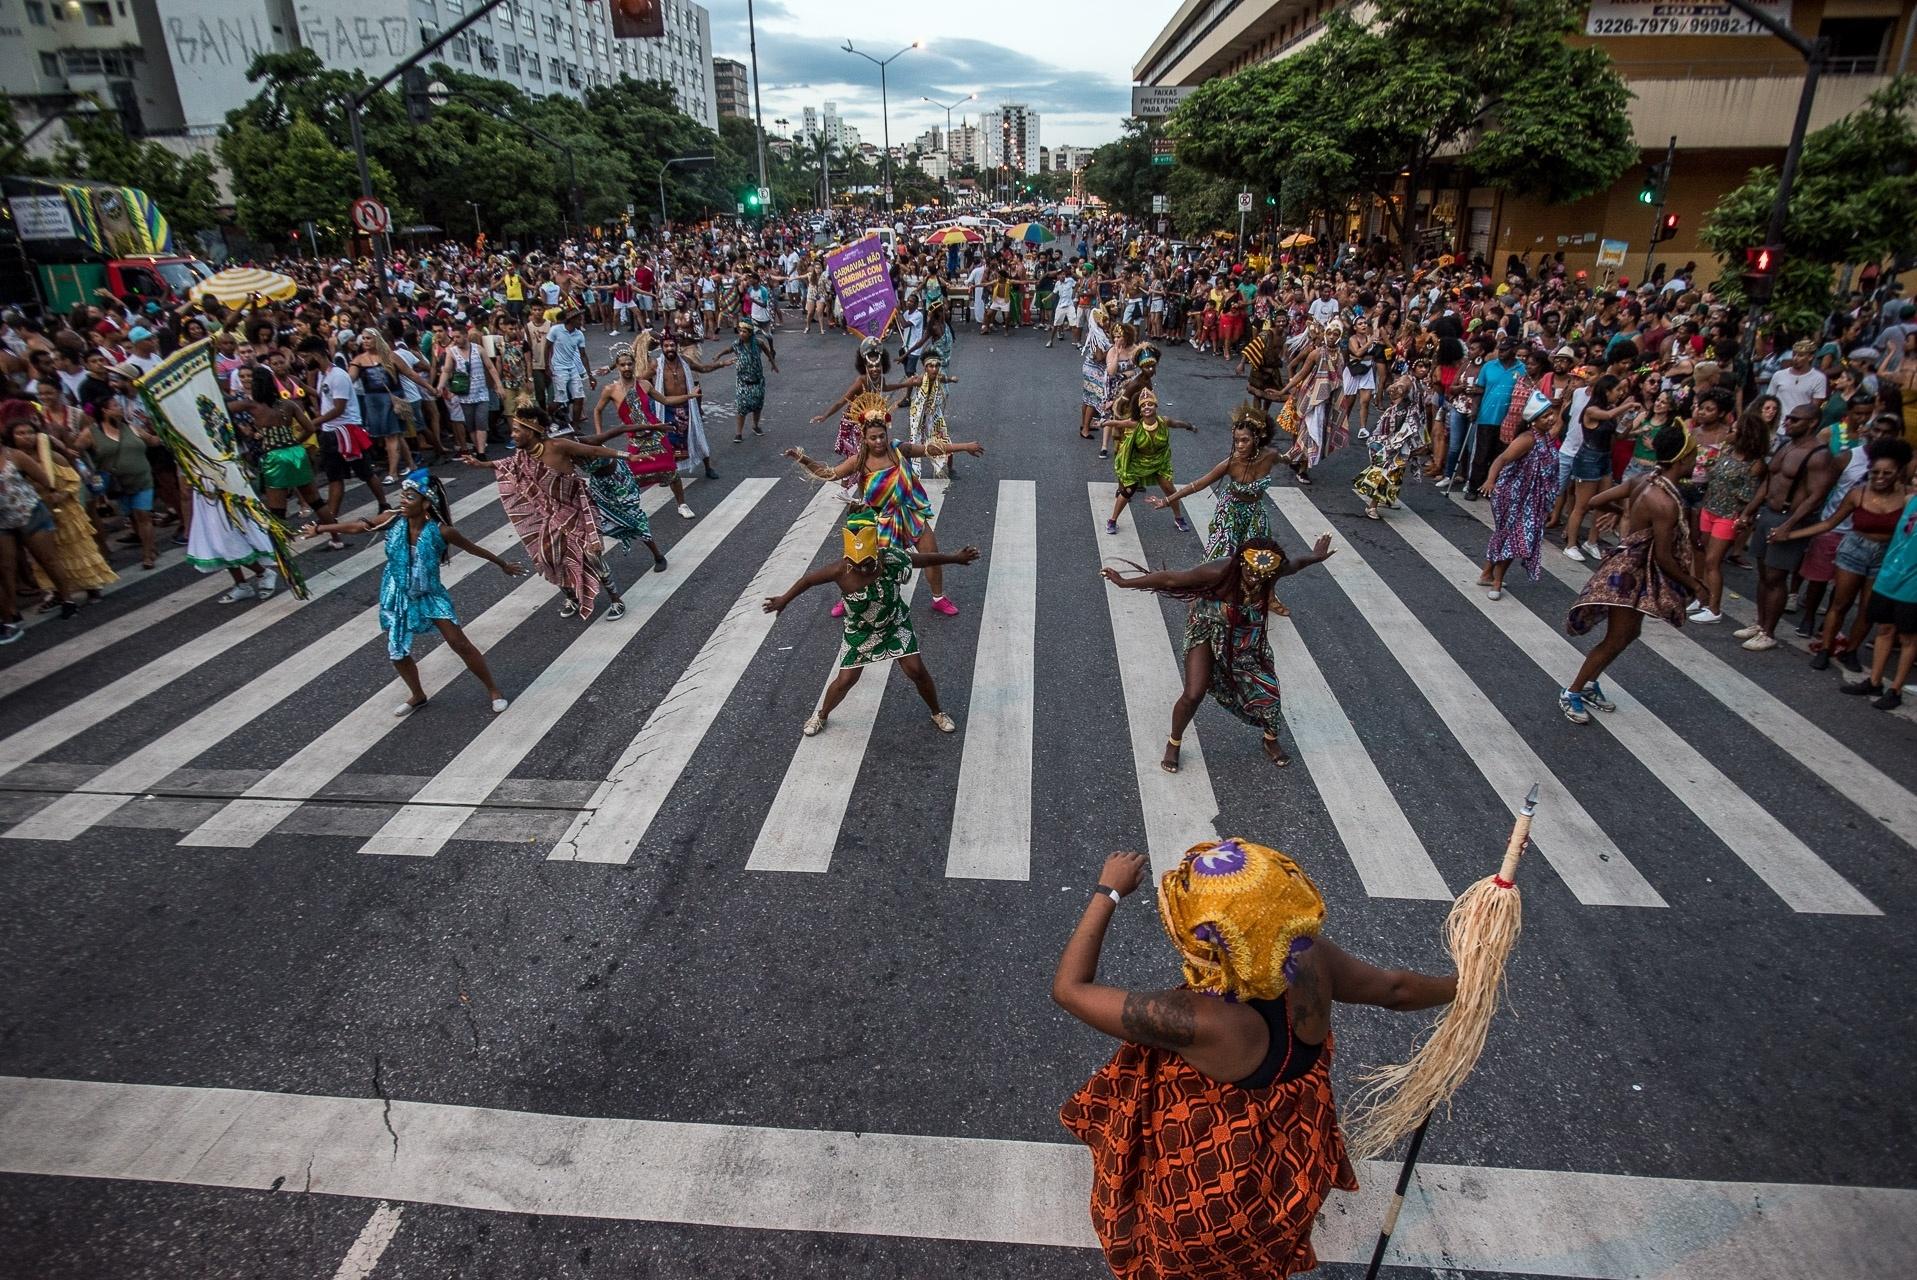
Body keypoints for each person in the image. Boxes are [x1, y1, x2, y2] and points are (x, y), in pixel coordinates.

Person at [1054, 840, 1456, 1280]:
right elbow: (1396, 989)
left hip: (1210, 1193)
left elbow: (1071, 989)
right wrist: (1466, 985)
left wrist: (1107, 891)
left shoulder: (1202, 1020)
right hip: (1293, 1170)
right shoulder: (1310, 958)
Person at [1102, 535, 1334, 772]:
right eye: (1251, 570)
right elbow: (1172, 579)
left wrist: (1315, 557)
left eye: (1262, 574)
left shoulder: (1271, 570)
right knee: (1194, 693)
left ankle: (1270, 739)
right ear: (1242, 562)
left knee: (1268, 690)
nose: (1256, 577)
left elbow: (1295, 565)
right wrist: (1124, 583)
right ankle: (1174, 742)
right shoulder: (1219, 570)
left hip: (1245, 634)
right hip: (1207, 627)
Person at [303, 469, 518, 716]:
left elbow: (472, 548)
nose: (403, 501)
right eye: (402, 496)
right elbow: (359, 526)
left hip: (429, 593)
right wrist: (320, 529)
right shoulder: (392, 520)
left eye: (410, 497)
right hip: (396, 593)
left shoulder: (441, 531)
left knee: (459, 643)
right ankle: (417, 695)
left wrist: (502, 564)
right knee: (397, 651)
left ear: (426, 502)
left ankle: (493, 690)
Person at [760, 507, 980, 736]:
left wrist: (956, 558)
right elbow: (807, 580)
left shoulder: (893, 557)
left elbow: (923, 559)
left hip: (895, 624)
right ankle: (821, 715)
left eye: (867, 564)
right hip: (860, 631)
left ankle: (937, 712)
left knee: (916, 670)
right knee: (846, 680)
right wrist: (784, 600)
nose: (862, 569)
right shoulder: (840, 570)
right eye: (857, 566)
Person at [1560, 423, 1706, 724]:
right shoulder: (1663, 501)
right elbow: (1664, 558)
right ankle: (1574, 691)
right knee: (1617, 638)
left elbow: (1595, 502)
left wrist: (1623, 511)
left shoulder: (1644, 481)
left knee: (1628, 634)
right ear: (1682, 459)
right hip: (1631, 575)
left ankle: (1587, 685)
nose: (1696, 460)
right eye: (1693, 454)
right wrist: (1693, 583)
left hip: (1631, 569)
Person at [785, 396, 984, 617]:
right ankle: (848, 598)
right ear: (864, 438)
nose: (879, 441)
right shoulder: (858, 461)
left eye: (882, 436)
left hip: (909, 514)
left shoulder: (898, 449)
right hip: (878, 521)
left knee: (931, 554)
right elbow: (830, 474)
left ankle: (938, 598)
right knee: (859, 564)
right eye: (873, 438)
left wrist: (965, 446)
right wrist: (802, 459)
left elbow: (929, 449)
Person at [465, 406, 628, 622]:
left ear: (531, 431)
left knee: (592, 555)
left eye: (516, 430)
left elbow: (594, 451)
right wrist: (480, 464)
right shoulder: (522, 455)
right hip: (551, 515)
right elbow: (507, 465)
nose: (512, 435)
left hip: (578, 511)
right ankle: (571, 597)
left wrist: (628, 456)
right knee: (547, 558)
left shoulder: (557, 445)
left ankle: (616, 600)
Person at [1775, 438, 1913, 673]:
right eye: (1875, 472)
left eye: (1887, 473)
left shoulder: (1909, 498)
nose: (1879, 477)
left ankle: (1851, 651)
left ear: (1899, 472)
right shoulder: (1857, 494)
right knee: (1840, 603)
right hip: (1854, 549)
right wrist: (1791, 533)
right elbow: (1829, 523)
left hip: (1886, 555)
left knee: (1867, 609)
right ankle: (1825, 649)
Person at [1735, 403, 1837, 652]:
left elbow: (1816, 496)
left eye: (1795, 419)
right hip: (1768, 513)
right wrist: (1748, 511)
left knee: (1775, 576)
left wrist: (1789, 527)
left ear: (1812, 423)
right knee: (1763, 573)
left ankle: (1768, 632)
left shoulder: (1819, 454)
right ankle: (1760, 623)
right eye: (1788, 418)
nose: (1788, 422)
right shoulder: (1786, 445)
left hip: (1788, 518)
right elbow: (1768, 482)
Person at [1840, 473, 1917, 710]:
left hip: (1913, 583)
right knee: (1884, 628)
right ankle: (1874, 681)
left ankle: (1895, 689)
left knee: (1908, 637)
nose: (1915, 478)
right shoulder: (1909, 500)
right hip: (1889, 576)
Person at [1690, 406, 1770, 625]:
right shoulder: (1727, 450)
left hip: (1728, 514)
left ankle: (1714, 608)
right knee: (1703, 554)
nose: (1730, 432)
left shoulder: (1756, 464)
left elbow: (1750, 495)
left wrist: (1744, 516)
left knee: (1712, 561)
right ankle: (1702, 597)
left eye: (1735, 430)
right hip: (1709, 508)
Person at [1479, 392, 1562, 600]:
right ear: (1534, 421)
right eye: (1545, 416)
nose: (1550, 419)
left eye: (1551, 414)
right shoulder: (1527, 439)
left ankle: (1487, 573)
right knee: (1515, 538)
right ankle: (1497, 583)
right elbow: (1501, 459)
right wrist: (1490, 480)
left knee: (1506, 535)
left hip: (1532, 499)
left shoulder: (1546, 437)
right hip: (1513, 496)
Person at [1102, 387, 1196, 535]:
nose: (1147, 407)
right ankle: (1112, 520)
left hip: (1159, 462)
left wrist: (1189, 426)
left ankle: (1179, 518)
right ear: (1140, 410)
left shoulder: (1164, 421)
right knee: (1128, 491)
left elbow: (1177, 424)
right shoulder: (1136, 424)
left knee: (1170, 490)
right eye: (1143, 405)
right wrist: (1105, 423)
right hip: (1138, 462)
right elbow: (1119, 423)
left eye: (1150, 404)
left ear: (1156, 406)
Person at [1352, 360, 1434, 519]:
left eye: (1426, 367)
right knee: (1388, 465)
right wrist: (1396, 389)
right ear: (1413, 368)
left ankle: (1386, 499)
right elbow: (1394, 388)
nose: (1423, 370)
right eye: (1420, 367)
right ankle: (1372, 506)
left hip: (1409, 430)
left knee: (1399, 466)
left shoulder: (1419, 383)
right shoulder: (1407, 380)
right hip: (1396, 429)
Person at [651, 328, 725, 482]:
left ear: (677, 346)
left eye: (672, 345)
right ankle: (668, 474)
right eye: (666, 346)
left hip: (687, 408)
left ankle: (708, 468)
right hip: (668, 409)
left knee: (697, 436)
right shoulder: (656, 365)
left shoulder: (685, 361)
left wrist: (722, 364)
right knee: (667, 443)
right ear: (662, 347)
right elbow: (641, 381)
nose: (670, 349)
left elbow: (703, 368)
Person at [729, 318, 778, 443]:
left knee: (757, 405)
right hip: (742, 382)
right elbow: (728, 350)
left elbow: (768, 352)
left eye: (744, 331)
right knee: (742, 407)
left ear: (750, 333)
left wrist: (773, 363)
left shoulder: (758, 343)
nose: (741, 334)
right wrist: (719, 356)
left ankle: (755, 426)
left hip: (757, 381)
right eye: (740, 331)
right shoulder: (737, 344)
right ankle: (738, 433)